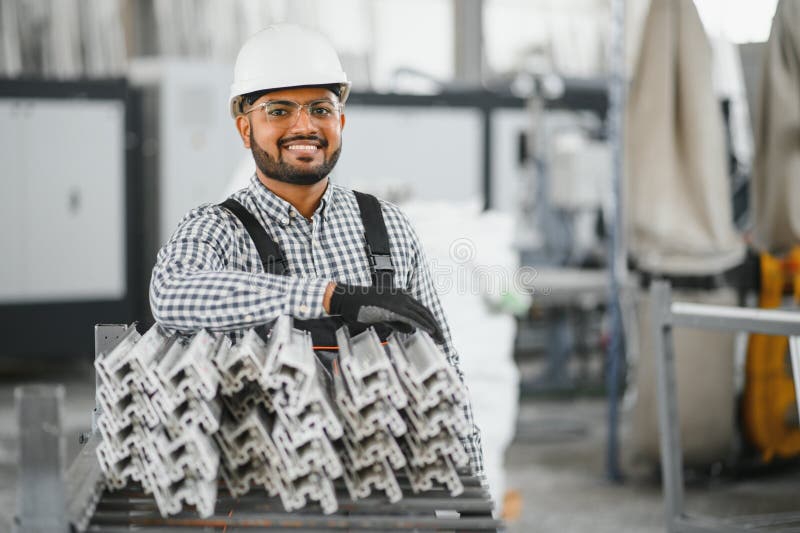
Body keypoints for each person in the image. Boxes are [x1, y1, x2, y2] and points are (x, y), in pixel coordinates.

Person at [149, 23, 484, 477]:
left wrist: (469, 490)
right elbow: (173, 293)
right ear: (245, 128)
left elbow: (446, 373)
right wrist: (331, 298)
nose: (304, 126)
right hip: (263, 500)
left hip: (380, 494)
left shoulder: (386, 229)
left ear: (340, 122)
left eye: (320, 109)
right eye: (279, 111)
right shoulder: (217, 229)